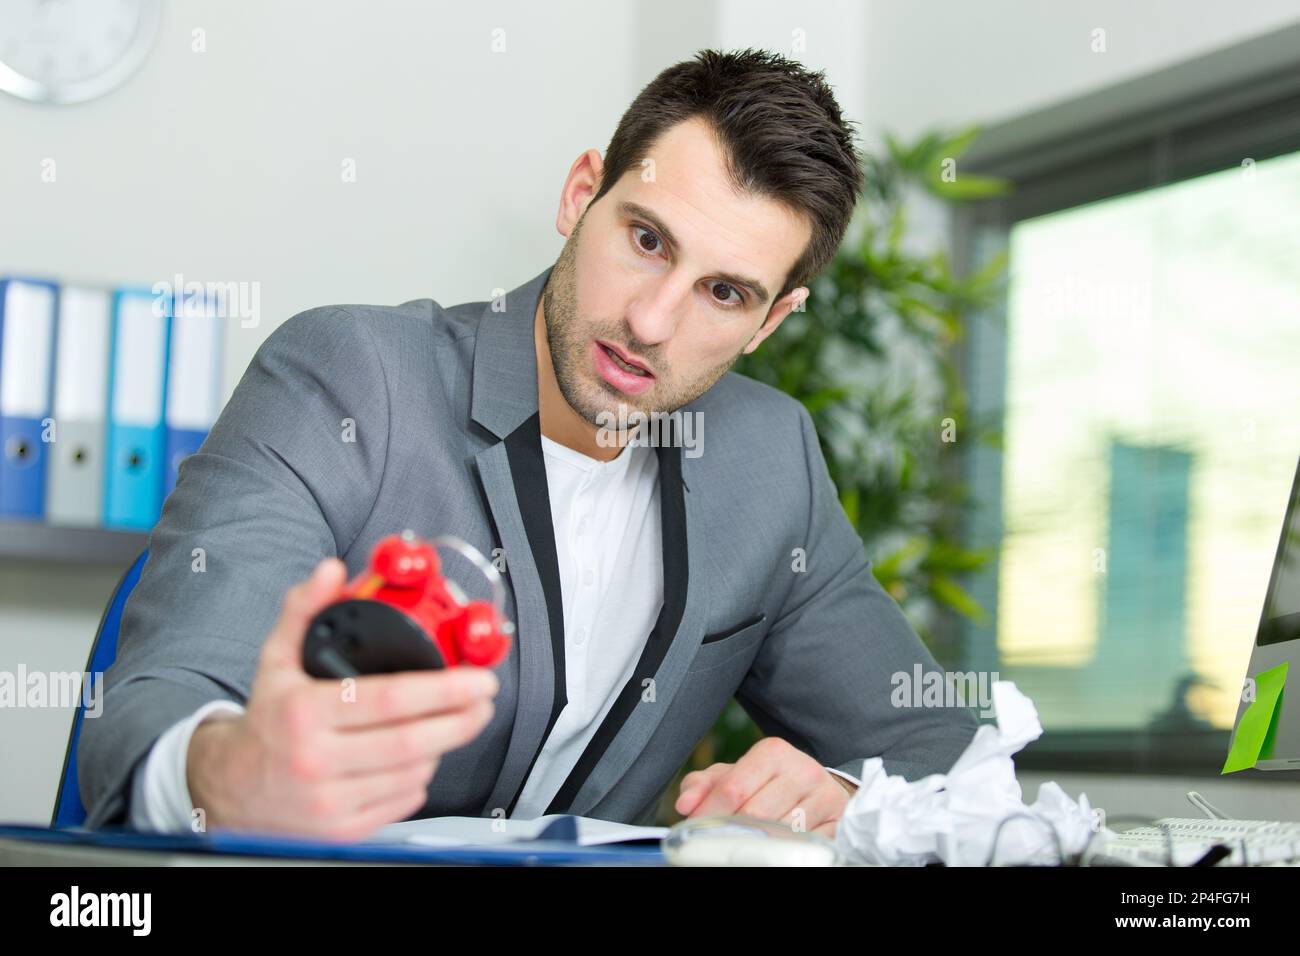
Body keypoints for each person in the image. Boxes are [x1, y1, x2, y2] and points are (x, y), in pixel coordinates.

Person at [80, 48, 978, 841]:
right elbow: (152, 705)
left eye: (725, 293)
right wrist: (228, 771)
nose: (651, 321)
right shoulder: (350, 377)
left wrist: (845, 792)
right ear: (581, 194)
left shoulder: (771, 459)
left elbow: (943, 750)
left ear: (770, 322)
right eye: (647, 239)